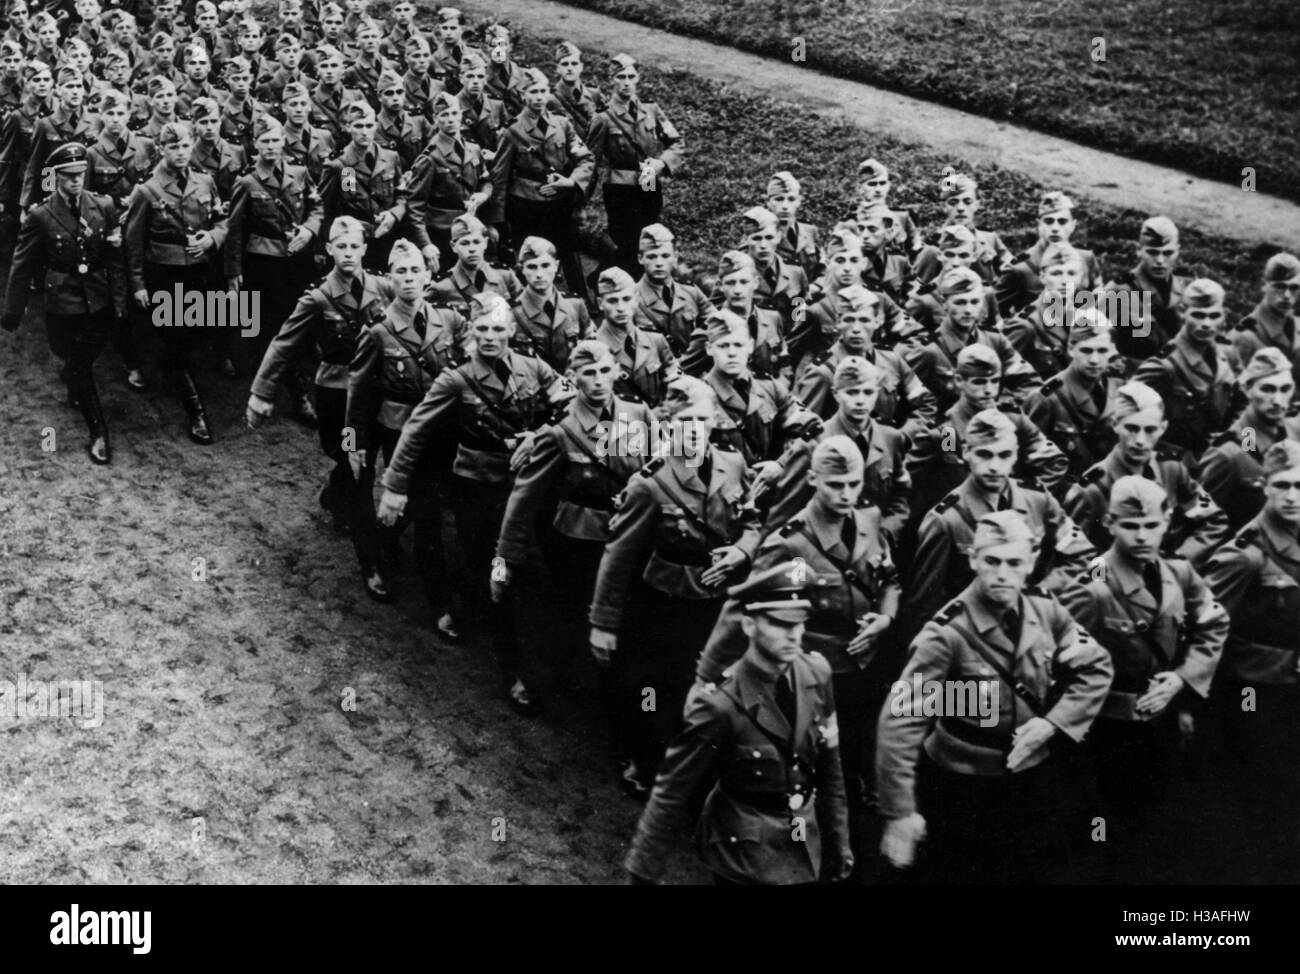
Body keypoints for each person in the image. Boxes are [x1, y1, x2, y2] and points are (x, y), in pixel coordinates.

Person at [876, 509, 1113, 883]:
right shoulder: (945, 634)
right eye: (992, 561)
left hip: (1030, 778)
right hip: (963, 785)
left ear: (1032, 562)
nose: (1003, 574)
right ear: (973, 559)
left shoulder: (1045, 609)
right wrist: (900, 811)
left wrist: (1052, 723)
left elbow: (1097, 665)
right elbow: (900, 721)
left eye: (1015, 562)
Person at [377, 291, 571, 715]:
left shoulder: (532, 366)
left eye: (498, 329)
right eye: (481, 329)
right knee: (496, 567)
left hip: (525, 487)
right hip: (476, 488)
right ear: (471, 331)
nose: (489, 337)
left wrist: (537, 437)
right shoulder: (456, 379)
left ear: (511, 331)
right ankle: (512, 671)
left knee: (519, 568)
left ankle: (470, 609)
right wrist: (394, 485)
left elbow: (568, 401)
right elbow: (415, 431)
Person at [699, 437, 901, 827]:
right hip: (804, 679)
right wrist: (707, 678)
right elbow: (745, 609)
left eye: (854, 484)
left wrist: (886, 619)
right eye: (835, 484)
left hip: (859, 671)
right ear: (812, 479)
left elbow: (890, 579)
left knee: (845, 761)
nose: (846, 494)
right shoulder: (792, 545)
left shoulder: (870, 520)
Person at [624, 560, 854, 886]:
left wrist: (838, 843)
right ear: (748, 625)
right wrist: (641, 874)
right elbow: (671, 792)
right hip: (743, 855)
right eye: (780, 623)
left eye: (800, 622)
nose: (794, 634)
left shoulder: (817, 673)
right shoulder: (719, 704)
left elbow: (831, 771)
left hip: (803, 841)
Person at [588, 376, 761, 791]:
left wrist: (743, 550)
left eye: (703, 420)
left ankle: (689, 762)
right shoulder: (651, 484)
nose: (695, 430)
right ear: (667, 426)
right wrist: (603, 623)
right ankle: (641, 756)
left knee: (700, 683)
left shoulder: (732, 463)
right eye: (685, 421)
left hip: (712, 605)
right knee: (648, 687)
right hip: (660, 605)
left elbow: (752, 521)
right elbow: (618, 556)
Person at [493, 339, 654, 781]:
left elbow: (663, 472)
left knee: (628, 641)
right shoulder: (561, 431)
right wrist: (504, 559)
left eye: (604, 372)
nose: (598, 382)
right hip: (579, 548)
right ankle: (604, 726)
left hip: (630, 547)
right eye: (588, 374)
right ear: (573, 379)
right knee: (573, 624)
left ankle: (630, 731)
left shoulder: (640, 416)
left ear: (616, 371)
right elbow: (523, 501)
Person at [1059, 476, 1226, 882]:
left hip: (1164, 719)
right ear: (1110, 523)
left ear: (1167, 521)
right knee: (1110, 831)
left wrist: (1182, 679)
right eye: (1129, 526)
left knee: (1165, 822)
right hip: (1107, 730)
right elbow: (1061, 661)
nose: (1141, 536)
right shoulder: (1094, 581)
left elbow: (1213, 623)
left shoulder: (1178, 572)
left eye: (1151, 525)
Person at [900, 408, 1094, 649]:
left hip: (1035, 637)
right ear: (967, 453)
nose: (994, 466)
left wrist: (1037, 594)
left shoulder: (1037, 499)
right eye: (984, 454)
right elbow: (922, 606)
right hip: (975, 645)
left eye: (1004, 455)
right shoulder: (946, 520)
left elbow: (1083, 556)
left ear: (1015, 456)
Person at [246, 217, 393, 531]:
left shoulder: (383, 287)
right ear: (329, 249)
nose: (349, 254)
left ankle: (341, 497)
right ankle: (344, 503)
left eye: (355, 246)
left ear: (365, 249)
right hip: (336, 391)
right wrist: (261, 393)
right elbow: (283, 343)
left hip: (372, 389)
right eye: (341, 247)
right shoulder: (318, 296)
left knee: (359, 453)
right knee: (347, 450)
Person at [345, 238, 464, 615]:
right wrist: (353, 444)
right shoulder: (378, 332)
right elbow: (357, 393)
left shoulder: (451, 321)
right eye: (401, 272)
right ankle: (432, 597)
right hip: (397, 430)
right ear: (390, 279)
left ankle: (385, 542)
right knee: (425, 513)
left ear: (428, 276)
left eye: (416, 271)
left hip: (440, 430)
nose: (409, 279)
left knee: (424, 504)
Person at [1203, 440, 1300, 882]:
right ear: (1265, 488)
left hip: (1291, 690)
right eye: (1282, 485)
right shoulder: (1246, 551)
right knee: (1264, 785)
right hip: (1252, 691)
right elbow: (1210, 627)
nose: (1293, 495)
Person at [1, 141, 125, 464]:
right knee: (66, 354)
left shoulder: (103, 205)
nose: (76, 181)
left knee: (82, 361)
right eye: (69, 176)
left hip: (97, 296)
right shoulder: (42, 215)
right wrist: (12, 309)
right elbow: (22, 263)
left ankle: (98, 432)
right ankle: (77, 388)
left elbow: (115, 258)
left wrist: (120, 297)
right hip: (62, 298)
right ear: (55, 177)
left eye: (80, 175)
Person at [123, 120, 227, 445]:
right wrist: (138, 284)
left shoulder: (205, 181)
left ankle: (170, 366)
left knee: (196, 335)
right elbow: (133, 241)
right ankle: (196, 414)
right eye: (173, 147)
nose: (181, 153)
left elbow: (222, 219)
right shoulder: (147, 190)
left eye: (185, 146)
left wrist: (212, 238)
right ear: (162, 150)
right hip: (164, 276)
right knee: (176, 340)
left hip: (198, 272)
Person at [225, 113, 323, 427]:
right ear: (255, 144)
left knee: (297, 323)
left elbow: (316, 206)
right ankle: (297, 396)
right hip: (263, 263)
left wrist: (309, 231)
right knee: (274, 328)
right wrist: (233, 271)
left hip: (297, 260)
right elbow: (235, 229)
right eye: (264, 141)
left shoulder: (299, 172)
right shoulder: (247, 181)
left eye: (275, 140)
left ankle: (279, 382)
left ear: (283, 141)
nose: (270, 146)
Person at [1063, 380, 1228, 566]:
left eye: (1150, 430)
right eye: (1132, 429)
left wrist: (1180, 560)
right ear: (1114, 424)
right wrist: (1105, 586)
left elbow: (1212, 520)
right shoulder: (1091, 490)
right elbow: (1077, 559)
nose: (1140, 441)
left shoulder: (1172, 469)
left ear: (1163, 428)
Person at [905, 343, 1068, 520]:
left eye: (995, 381)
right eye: (979, 382)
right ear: (959, 380)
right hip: (965, 522)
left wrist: (1025, 501)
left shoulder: (1013, 419)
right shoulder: (948, 432)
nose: (989, 390)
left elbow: (1054, 462)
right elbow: (908, 483)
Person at [766, 356, 912, 539]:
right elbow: (783, 519)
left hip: (872, 552)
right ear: (835, 394)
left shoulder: (891, 437)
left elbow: (900, 496)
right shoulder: (813, 445)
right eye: (852, 393)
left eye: (868, 392)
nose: (860, 401)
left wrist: (885, 533)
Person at [488, 66, 593, 298]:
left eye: (543, 91)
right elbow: (500, 176)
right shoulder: (513, 131)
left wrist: (571, 182)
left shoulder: (562, 124)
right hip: (526, 204)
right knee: (531, 256)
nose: (539, 97)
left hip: (558, 201)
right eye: (533, 91)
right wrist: (497, 219)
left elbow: (585, 158)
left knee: (568, 250)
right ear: (523, 95)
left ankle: (581, 300)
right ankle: (530, 304)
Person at [586, 52, 684, 277]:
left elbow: (677, 141)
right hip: (620, 187)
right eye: (621, 76)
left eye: (631, 76)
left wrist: (662, 162)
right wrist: (581, 195)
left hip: (649, 178)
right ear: (612, 80)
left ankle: (623, 283)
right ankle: (602, 279)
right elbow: (590, 159)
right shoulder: (603, 117)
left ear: (638, 78)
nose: (627, 82)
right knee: (628, 241)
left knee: (647, 236)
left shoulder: (650, 110)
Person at [794, 283, 934, 435]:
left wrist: (903, 437)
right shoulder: (823, 371)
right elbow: (804, 430)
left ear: (877, 321)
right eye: (849, 320)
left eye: (864, 320)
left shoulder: (891, 359)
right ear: (838, 322)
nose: (856, 328)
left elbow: (926, 404)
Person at [905, 266, 1041, 414]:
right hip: (949, 432)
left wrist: (1008, 414)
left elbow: (1028, 382)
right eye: (960, 302)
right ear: (944, 303)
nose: (968, 310)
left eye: (975, 302)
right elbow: (917, 409)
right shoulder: (929, 352)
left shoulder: (995, 340)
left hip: (993, 428)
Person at [1135, 278, 1238, 462]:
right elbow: (1127, 417)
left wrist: (1243, 446)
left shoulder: (1228, 355)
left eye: (1214, 316)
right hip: (1176, 467)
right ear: (1183, 312)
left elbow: (1246, 409)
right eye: (1198, 315)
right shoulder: (1164, 365)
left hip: (1220, 461)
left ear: (1224, 316)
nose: (1207, 324)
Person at [1201, 348, 1300, 530]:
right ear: (1247, 389)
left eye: (1285, 389)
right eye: (1268, 389)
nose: (1278, 400)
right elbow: (1204, 525)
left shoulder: (1293, 432)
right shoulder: (1229, 452)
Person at [1022, 309, 1120, 477]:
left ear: (1112, 350)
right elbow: (1029, 464)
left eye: (1102, 351)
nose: (1094, 360)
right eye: (1086, 351)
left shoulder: (1116, 386)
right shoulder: (1047, 398)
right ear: (1071, 348)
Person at [403, 90, 493, 271]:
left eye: (454, 113)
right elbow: (415, 204)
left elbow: (486, 180)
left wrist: (483, 195)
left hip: (471, 226)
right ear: (435, 119)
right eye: (444, 115)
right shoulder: (429, 158)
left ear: (461, 114)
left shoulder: (473, 149)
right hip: (442, 232)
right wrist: (425, 243)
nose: (451, 119)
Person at [318, 99, 406, 271]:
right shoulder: (340, 165)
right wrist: (321, 246)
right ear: (348, 127)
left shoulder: (391, 158)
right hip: (353, 243)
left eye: (369, 125)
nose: (364, 132)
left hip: (387, 237)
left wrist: (394, 215)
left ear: (376, 126)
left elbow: (402, 195)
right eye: (358, 126)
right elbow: (324, 207)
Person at [681, 249, 788, 382]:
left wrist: (779, 390)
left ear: (756, 283)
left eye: (744, 282)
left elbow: (785, 364)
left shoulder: (773, 318)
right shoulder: (710, 329)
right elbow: (684, 376)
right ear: (720, 286)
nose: (737, 290)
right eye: (730, 283)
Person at [995, 191, 1103, 318]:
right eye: (1049, 221)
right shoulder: (1020, 268)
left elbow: (1098, 302)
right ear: (1039, 224)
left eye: (1062, 221)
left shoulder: (1086, 259)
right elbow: (996, 314)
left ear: (1073, 225)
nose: (1055, 228)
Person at [1101, 216, 1190, 369]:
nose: (1160, 261)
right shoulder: (1119, 291)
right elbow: (1097, 340)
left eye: (1168, 253)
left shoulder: (1187, 289)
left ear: (1178, 251)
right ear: (1139, 251)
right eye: (1153, 252)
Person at [590, 266, 676, 406]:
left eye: (626, 299)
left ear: (636, 300)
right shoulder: (591, 350)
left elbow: (676, 379)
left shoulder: (655, 339)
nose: (621, 308)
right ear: (600, 304)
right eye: (612, 301)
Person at [509, 235, 588, 372]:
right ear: (522, 269)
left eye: (545, 265)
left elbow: (590, 344)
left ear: (556, 266)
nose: (539, 274)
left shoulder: (575, 304)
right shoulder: (512, 313)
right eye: (532, 267)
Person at [632, 221, 707, 356]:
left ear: (675, 257)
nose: (659, 263)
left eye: (665, 256)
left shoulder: (691, 292)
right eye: (651, 257)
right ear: (640, 259)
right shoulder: (629, 299)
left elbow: (717, 323)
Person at [1228, 252, 1300, 374]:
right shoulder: (1244, 336)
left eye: (1294, 288)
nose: (1287, 296)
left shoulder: (1297, 326)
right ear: (1263, 285)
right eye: (1280, 287)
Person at [765, 170, 821, 282]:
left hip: (811, 295)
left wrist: (817, 286)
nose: (785, 206)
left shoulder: (810, 231)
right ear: (768, 202)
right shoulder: (759, 236)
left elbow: (823, 265)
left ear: (799, 201)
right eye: (779, 199)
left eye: (791, 199)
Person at [547, 40, 605, 137]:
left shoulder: (594, 94)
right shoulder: (550, 99)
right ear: (558, 68)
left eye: (574, 63)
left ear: (581, 67)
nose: (570, 68)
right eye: (565, 64)